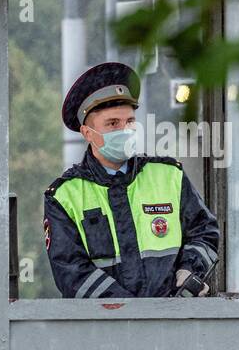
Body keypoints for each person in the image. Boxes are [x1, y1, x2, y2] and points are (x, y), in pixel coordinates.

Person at [44, 62, 220, 298]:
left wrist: (189, 271)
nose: (125, 130)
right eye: (113, 124)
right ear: (88, 133)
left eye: (129, 121)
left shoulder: (169, 175)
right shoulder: (64, 196)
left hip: (175, 323)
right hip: (104, 330)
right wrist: (131, 315)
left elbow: (204, 231)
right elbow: (72, 273)